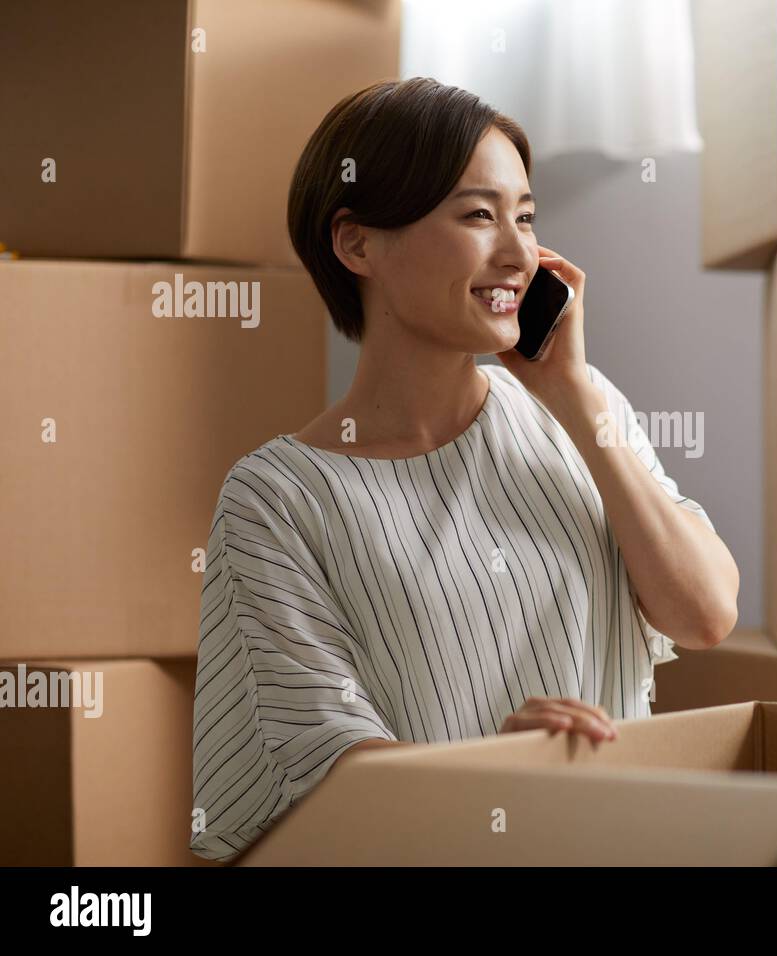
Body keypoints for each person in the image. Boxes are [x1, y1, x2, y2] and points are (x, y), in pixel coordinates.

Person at [189, 78, 739, 862]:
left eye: (526, 216)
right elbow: (322, 760)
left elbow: (706, 612)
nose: (519, 254)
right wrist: (491, 775)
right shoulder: (276, 499)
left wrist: (573, 393)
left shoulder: (581, 411)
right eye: (479, 215)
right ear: (357, 244)